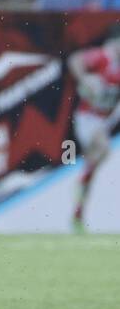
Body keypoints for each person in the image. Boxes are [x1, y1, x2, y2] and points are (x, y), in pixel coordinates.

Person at [66, 29, 120, 233]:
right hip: (87, 118)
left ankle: (78, 215)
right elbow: (74, 60)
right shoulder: (104, 56)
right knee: (104, 148)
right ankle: (82, 177)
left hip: (103, 121)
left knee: (91, 172)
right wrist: (85, 80)